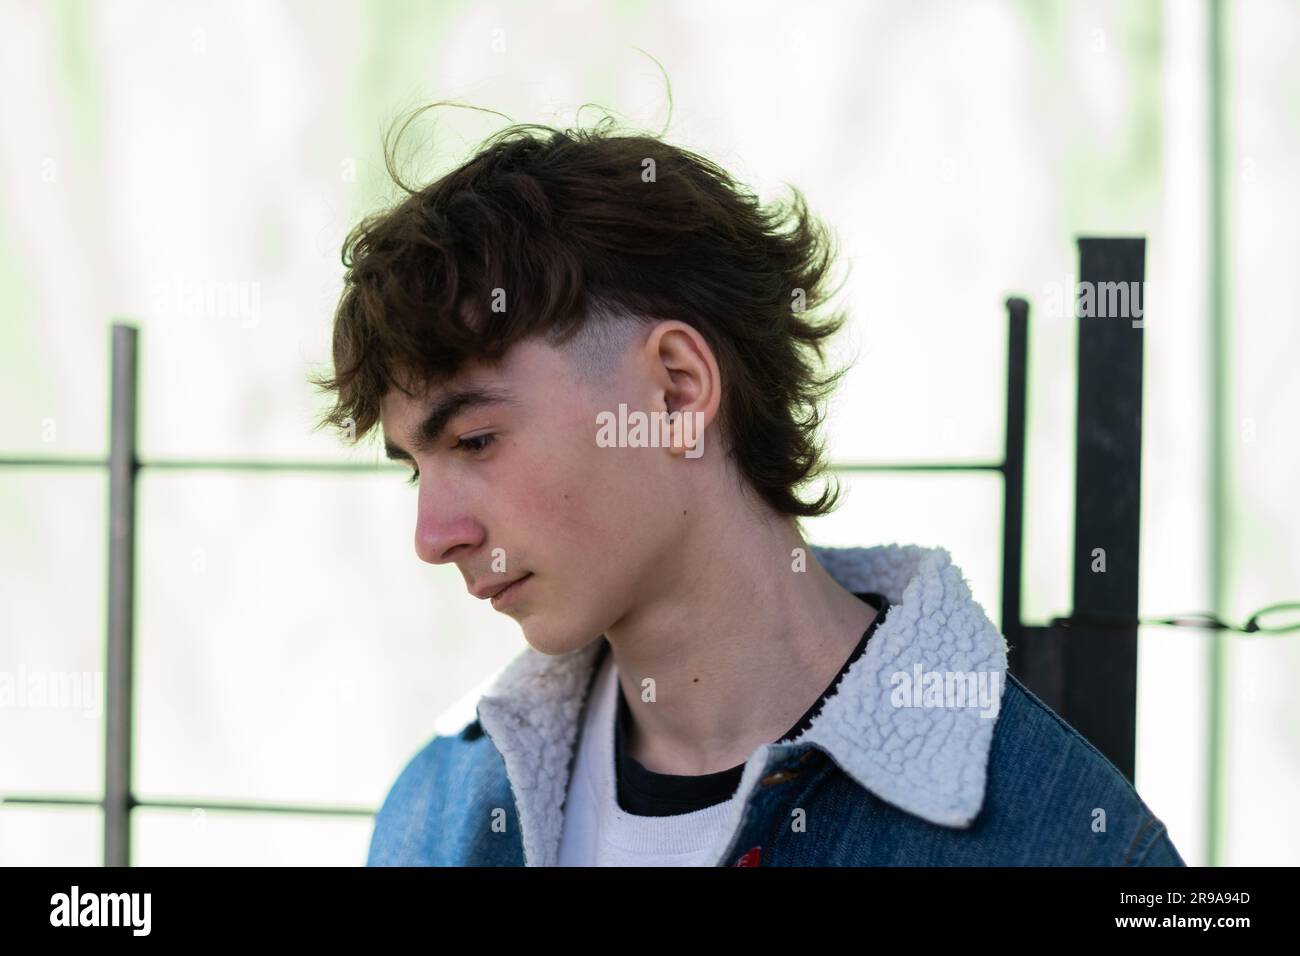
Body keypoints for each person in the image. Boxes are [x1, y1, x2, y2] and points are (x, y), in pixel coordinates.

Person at [311, 109, 1185, 867]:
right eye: (415, 468)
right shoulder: (437, 813)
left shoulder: (1061, 840)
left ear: (677, 393)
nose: (432, 535)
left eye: (476, 438)